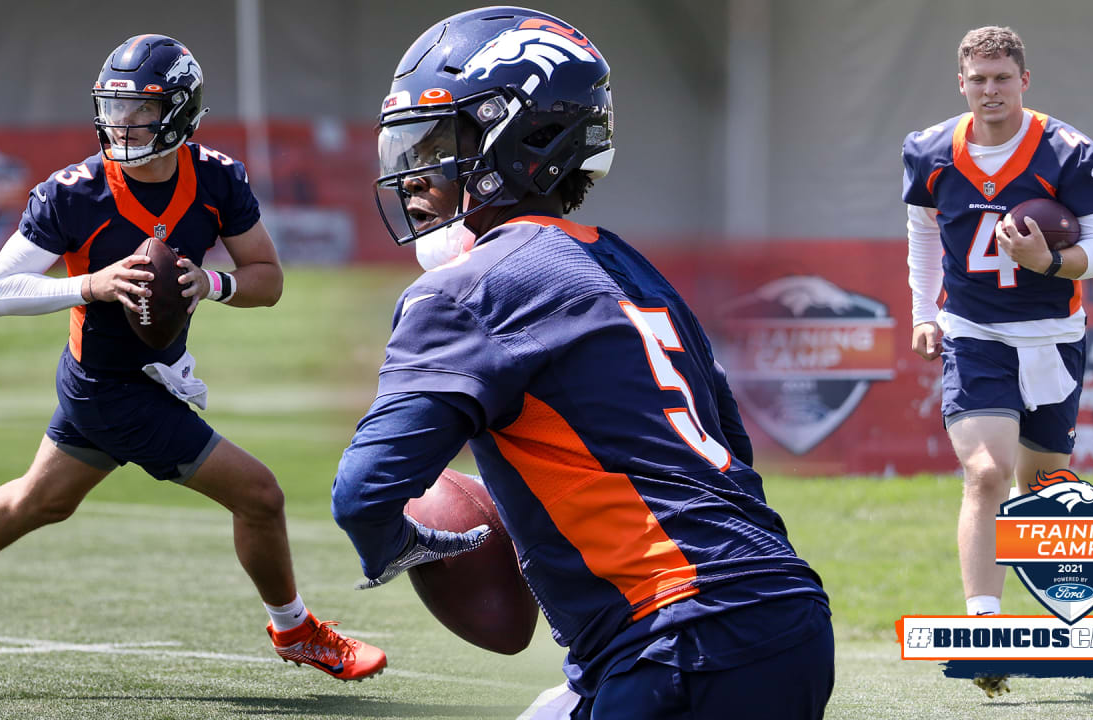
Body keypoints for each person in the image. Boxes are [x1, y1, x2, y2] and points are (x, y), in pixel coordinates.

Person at [331, 7, 833, 719]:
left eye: (439, 141)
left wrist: (398, 546)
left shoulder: (466, 288)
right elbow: (731, 448)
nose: (413, 175)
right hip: (780, 617)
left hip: (682, 637)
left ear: (523, 138)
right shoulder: (630, 265)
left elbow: (364, 492)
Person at [0, 33, 385, 682]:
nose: (121, 124)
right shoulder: (73, 191)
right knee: (260, 496)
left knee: (40, 501)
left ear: (180, 111)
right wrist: (93, 284)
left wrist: (212, 282)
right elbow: (0, 292)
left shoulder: (218, 177)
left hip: (137, 378)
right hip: (109, 388)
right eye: (113, 108)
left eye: (139, 109)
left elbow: (267, 278)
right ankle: (294, 629)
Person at [902, 26, 1093, 697]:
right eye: (978, 79)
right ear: (961, 83)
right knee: (986, 473)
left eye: (1002, 78)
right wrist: (922, 312)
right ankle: (984, 628)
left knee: (1045, 484)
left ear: (1024, 80)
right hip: (974, 331)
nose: (990, 90)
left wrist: (1048, 261)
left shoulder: (1073, 152)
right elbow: (922, 232)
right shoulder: (931, 150)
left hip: (1053, 332)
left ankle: (1060, 612)